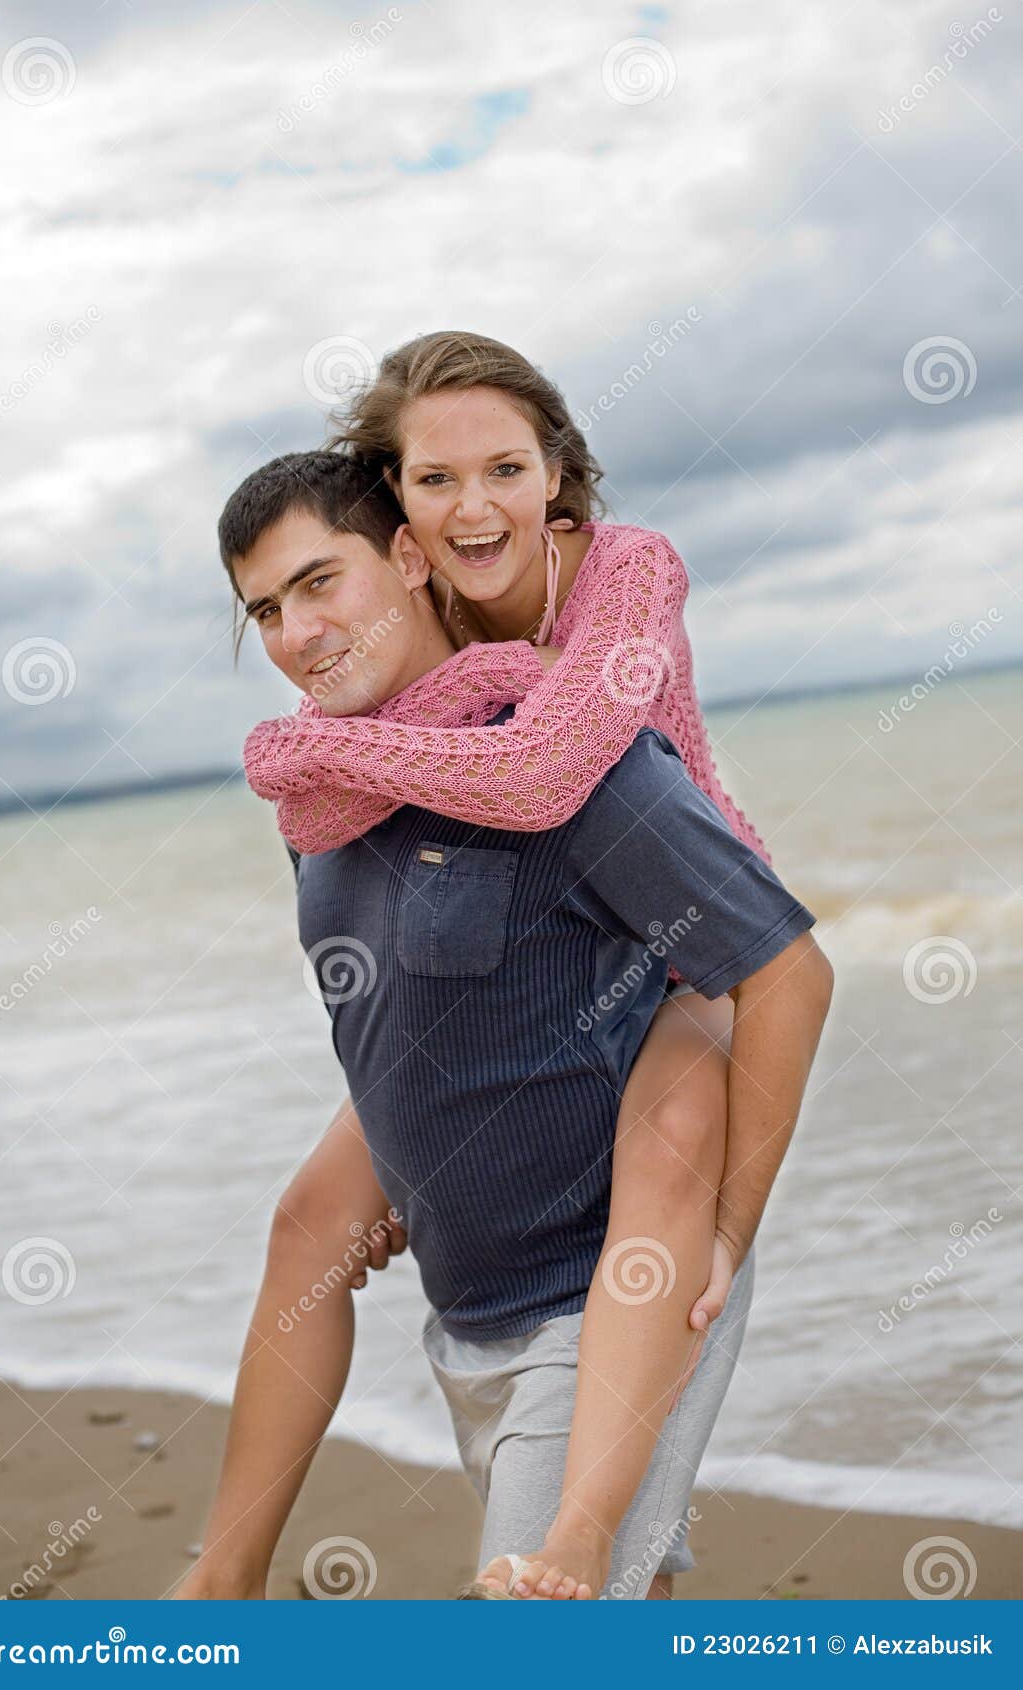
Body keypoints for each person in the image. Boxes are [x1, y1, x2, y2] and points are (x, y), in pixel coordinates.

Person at [174, 450, 833, 1600]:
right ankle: (215, 1586)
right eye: (265, 609)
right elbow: (419, 1017)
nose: (293, 632)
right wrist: (409, 1158)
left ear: (412, 558)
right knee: (306, 1218)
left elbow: (777, 969)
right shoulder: (322, 806)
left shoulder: (572, 766)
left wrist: (722, 1227)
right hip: (464, 1318)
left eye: (320, 582)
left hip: (603, 1303)